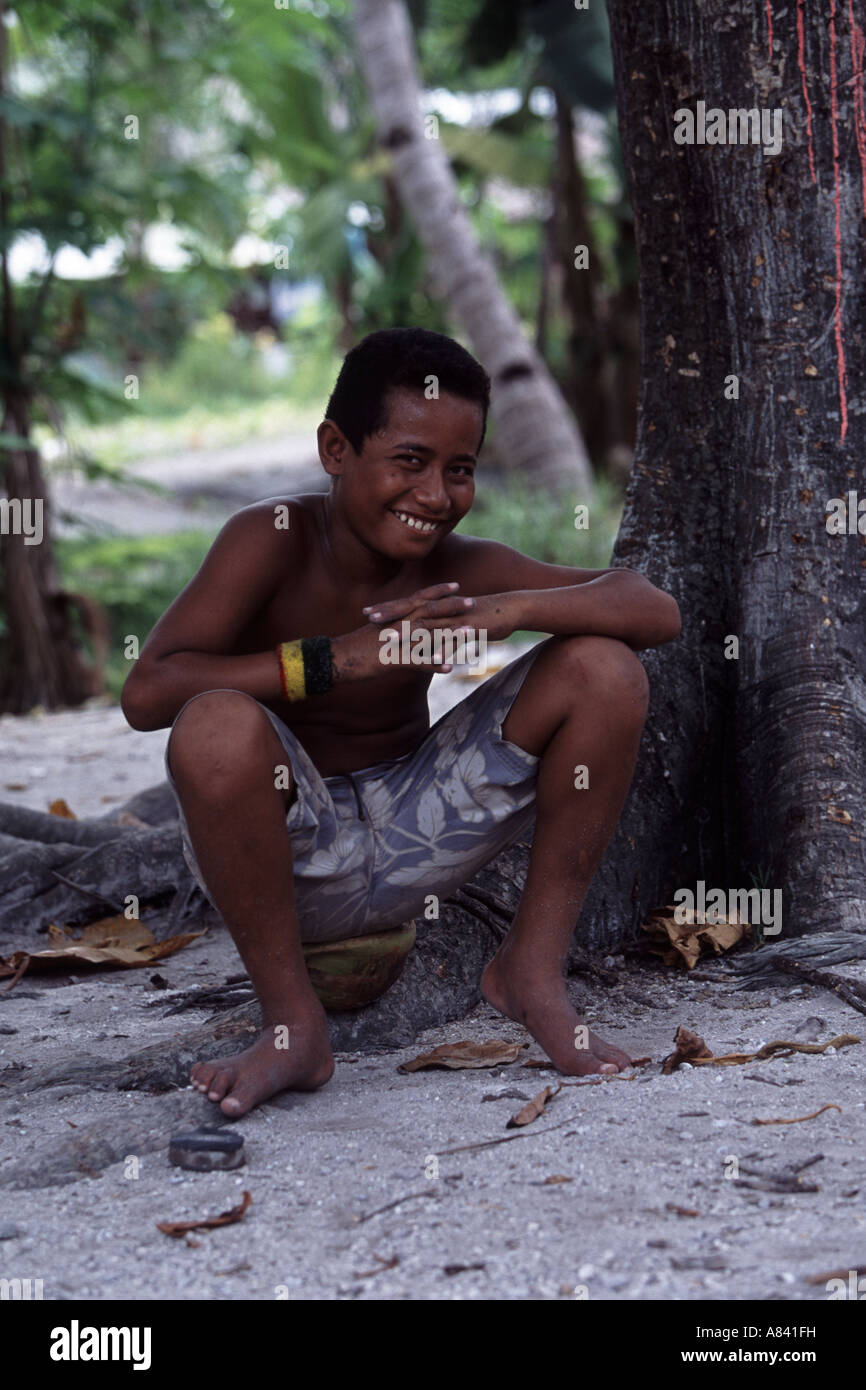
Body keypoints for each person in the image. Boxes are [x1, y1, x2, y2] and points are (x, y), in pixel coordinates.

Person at [121, 326, 681, 1117]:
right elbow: (148, 693)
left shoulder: (459, 566)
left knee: (603, 666)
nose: (435, 496)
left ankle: (530, 972)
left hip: (419, 833)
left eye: (461, 470)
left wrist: (508, 609)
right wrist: (338, 659)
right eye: (410, 462)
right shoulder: (270, 539)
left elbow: (651, 607)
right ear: (335, 448)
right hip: (293, 855)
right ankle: (293, 1028)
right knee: (210, 724)